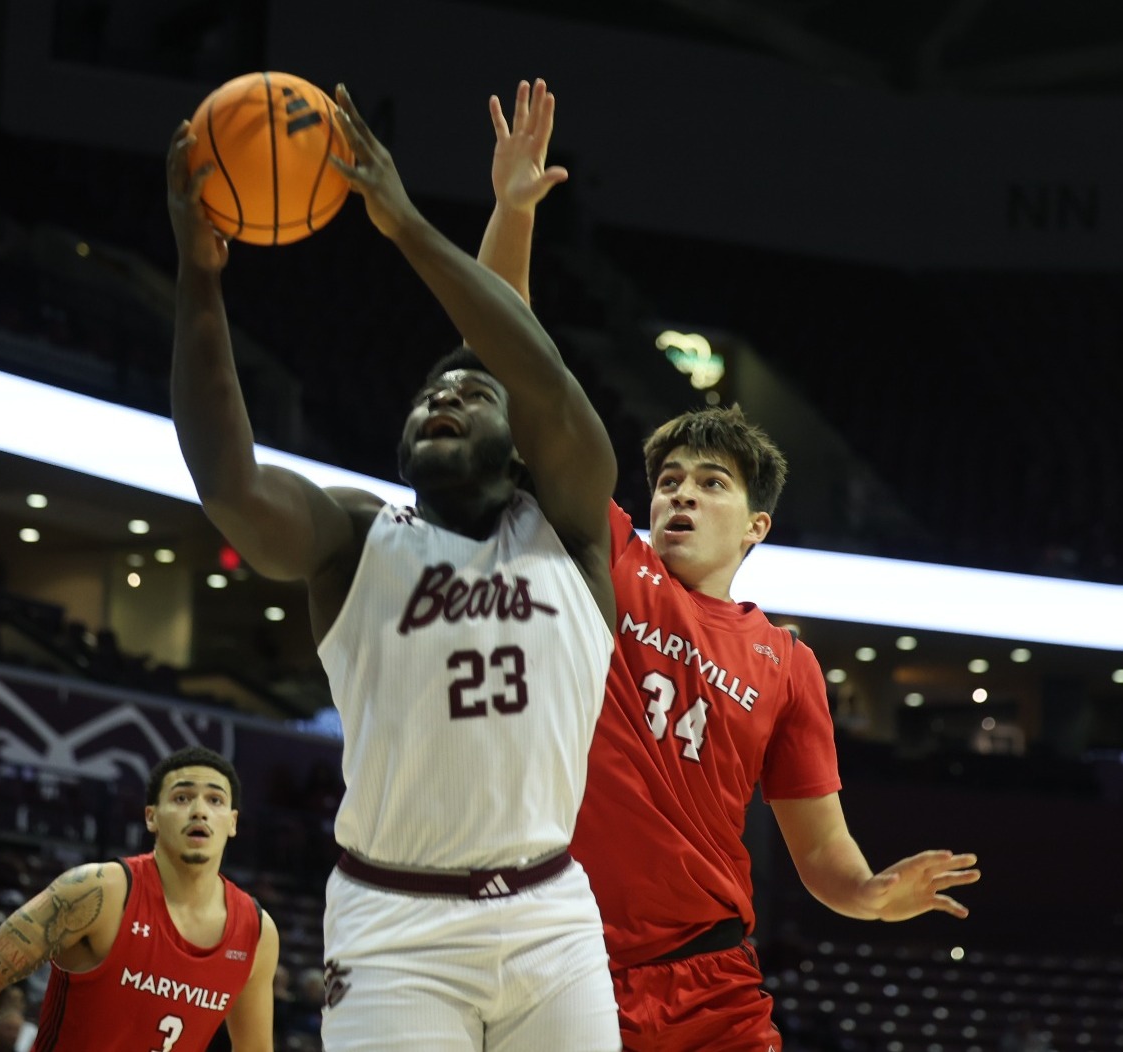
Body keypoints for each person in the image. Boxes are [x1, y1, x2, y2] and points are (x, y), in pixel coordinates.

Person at [478, 78, 982, 1050]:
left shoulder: (785, 664)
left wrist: (875, 895)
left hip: (712, 978)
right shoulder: (607, 557)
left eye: (707, 482)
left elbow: (823, 856)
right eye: (666, 477)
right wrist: (509, 213)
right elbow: (517, 376)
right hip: (562, 965)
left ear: (754, 526)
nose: (677, 493)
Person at [166, 82, 620, 1050]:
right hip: (397, 929)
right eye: (425, 397)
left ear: (518, 441)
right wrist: (199, 280)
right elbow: (228, 482)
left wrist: (412, 223)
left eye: (466, 392)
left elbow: (530, 364)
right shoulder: (355, 539)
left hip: (550, 916)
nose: (440, 399)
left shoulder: (572, 527)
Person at [0, 747, 276, 1052]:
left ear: (232, 822)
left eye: (215, 800)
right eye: (182, 797)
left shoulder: (256, 931)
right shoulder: (98, 891)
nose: (199, 811)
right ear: (151, 817)